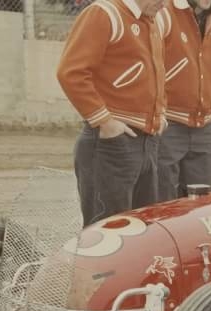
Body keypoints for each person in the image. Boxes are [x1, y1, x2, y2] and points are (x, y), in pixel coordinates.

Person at [56, 0, 168, 227]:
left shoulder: (152, 20)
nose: (165, 4)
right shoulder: (105, 13)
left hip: (148, 141)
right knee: (107, 230)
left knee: (143, 228)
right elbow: (71, 73)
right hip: (113, 142)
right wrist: (105, 121)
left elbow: (157, 74)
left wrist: (160, 113)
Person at [155, 0, 211, 201]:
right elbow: (151, 64)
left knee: (200, 201)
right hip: (168, 125)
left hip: (205, 128)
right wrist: (159, 112)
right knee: (162, 200)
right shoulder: (164, 12)